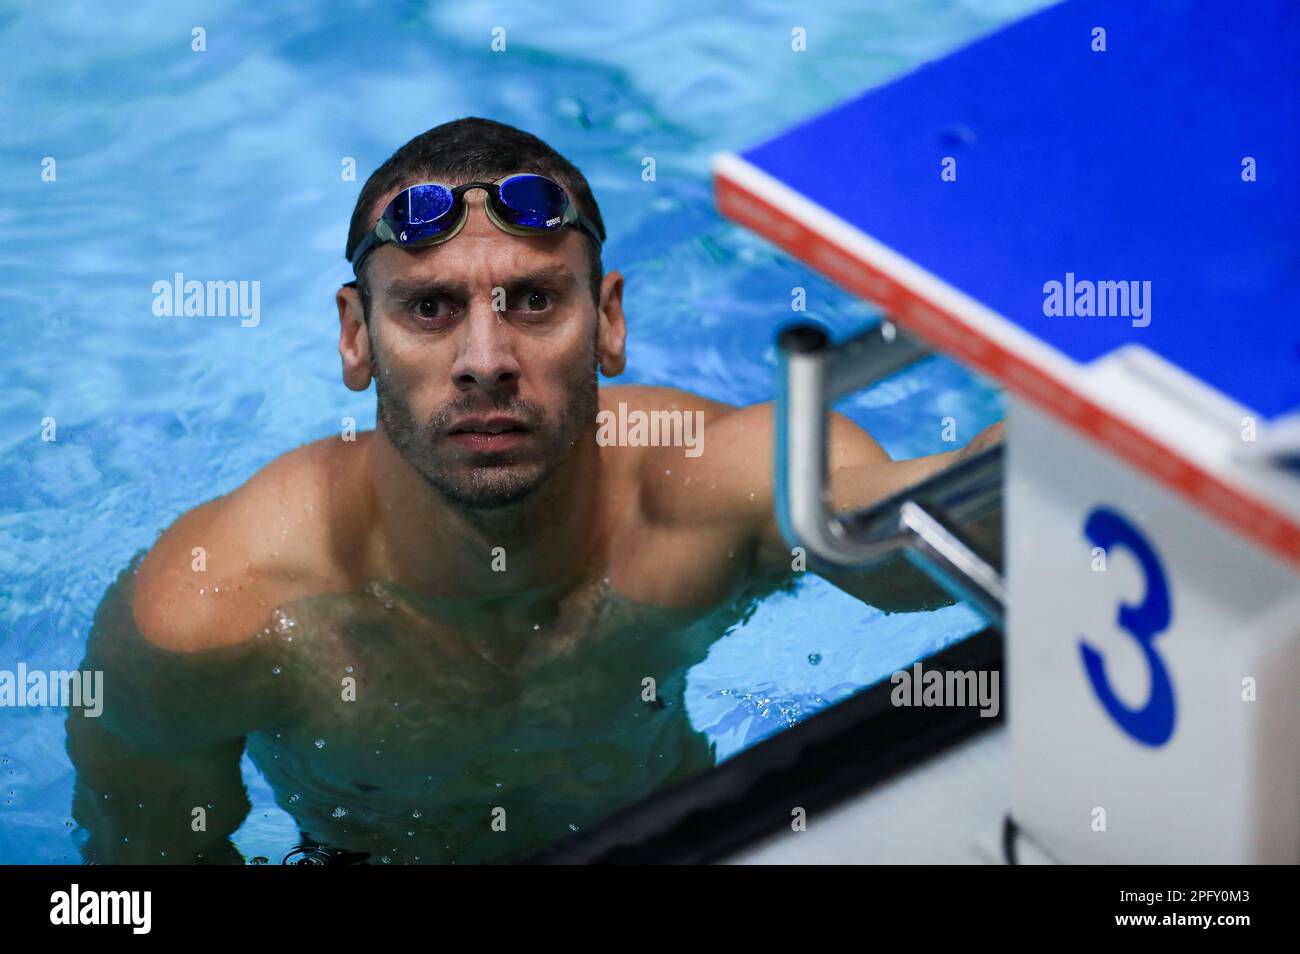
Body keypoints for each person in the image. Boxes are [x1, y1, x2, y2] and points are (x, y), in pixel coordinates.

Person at [67, 117, 1003, 864]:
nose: (486, 361)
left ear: (608, 320)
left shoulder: (714, 488)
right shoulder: (210, 616)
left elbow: (945, 540)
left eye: (536, 301)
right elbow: (141, 876)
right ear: (356, 337)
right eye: (430, 308)